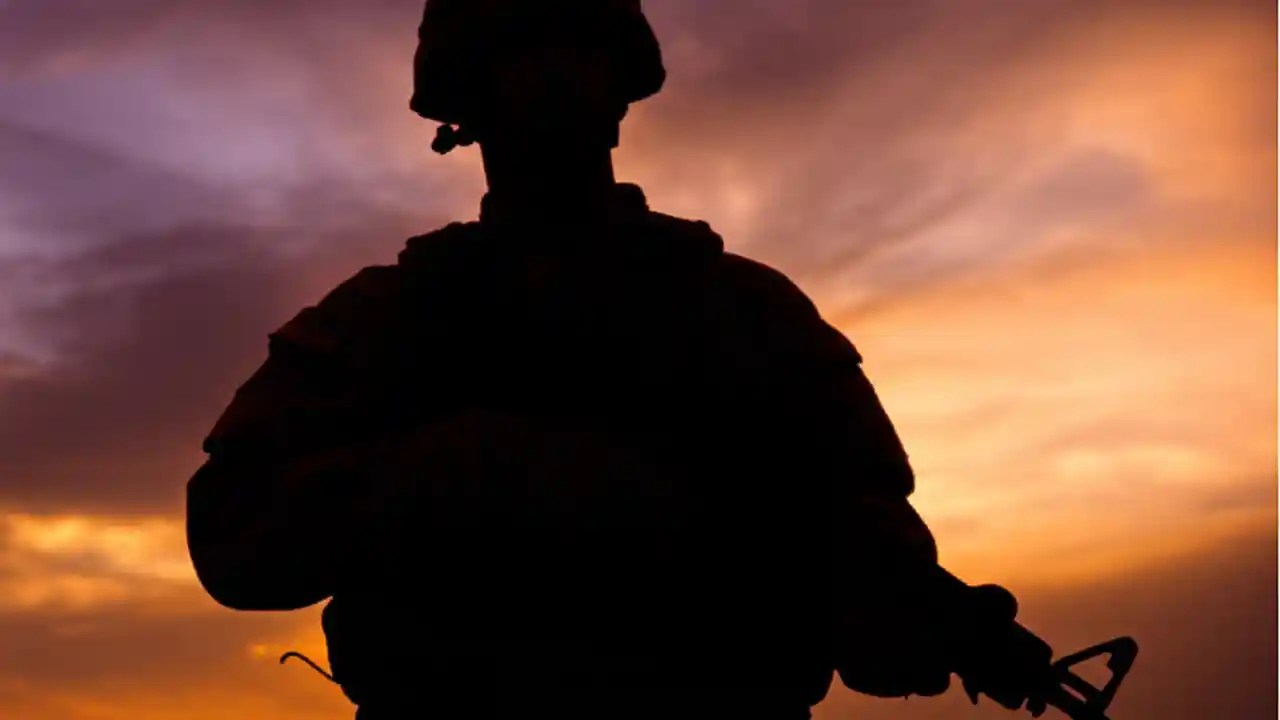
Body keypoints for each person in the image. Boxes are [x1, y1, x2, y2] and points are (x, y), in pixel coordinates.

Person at [186, 1, 1053, 719]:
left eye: (578, 48)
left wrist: (919, 618)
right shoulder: (386, 322)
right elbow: (234, 541)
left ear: (620, 86)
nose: (555, 78)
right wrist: (460, 475)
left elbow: (865, 553)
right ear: (467, 100)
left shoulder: (749, 315)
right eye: (523, 52)